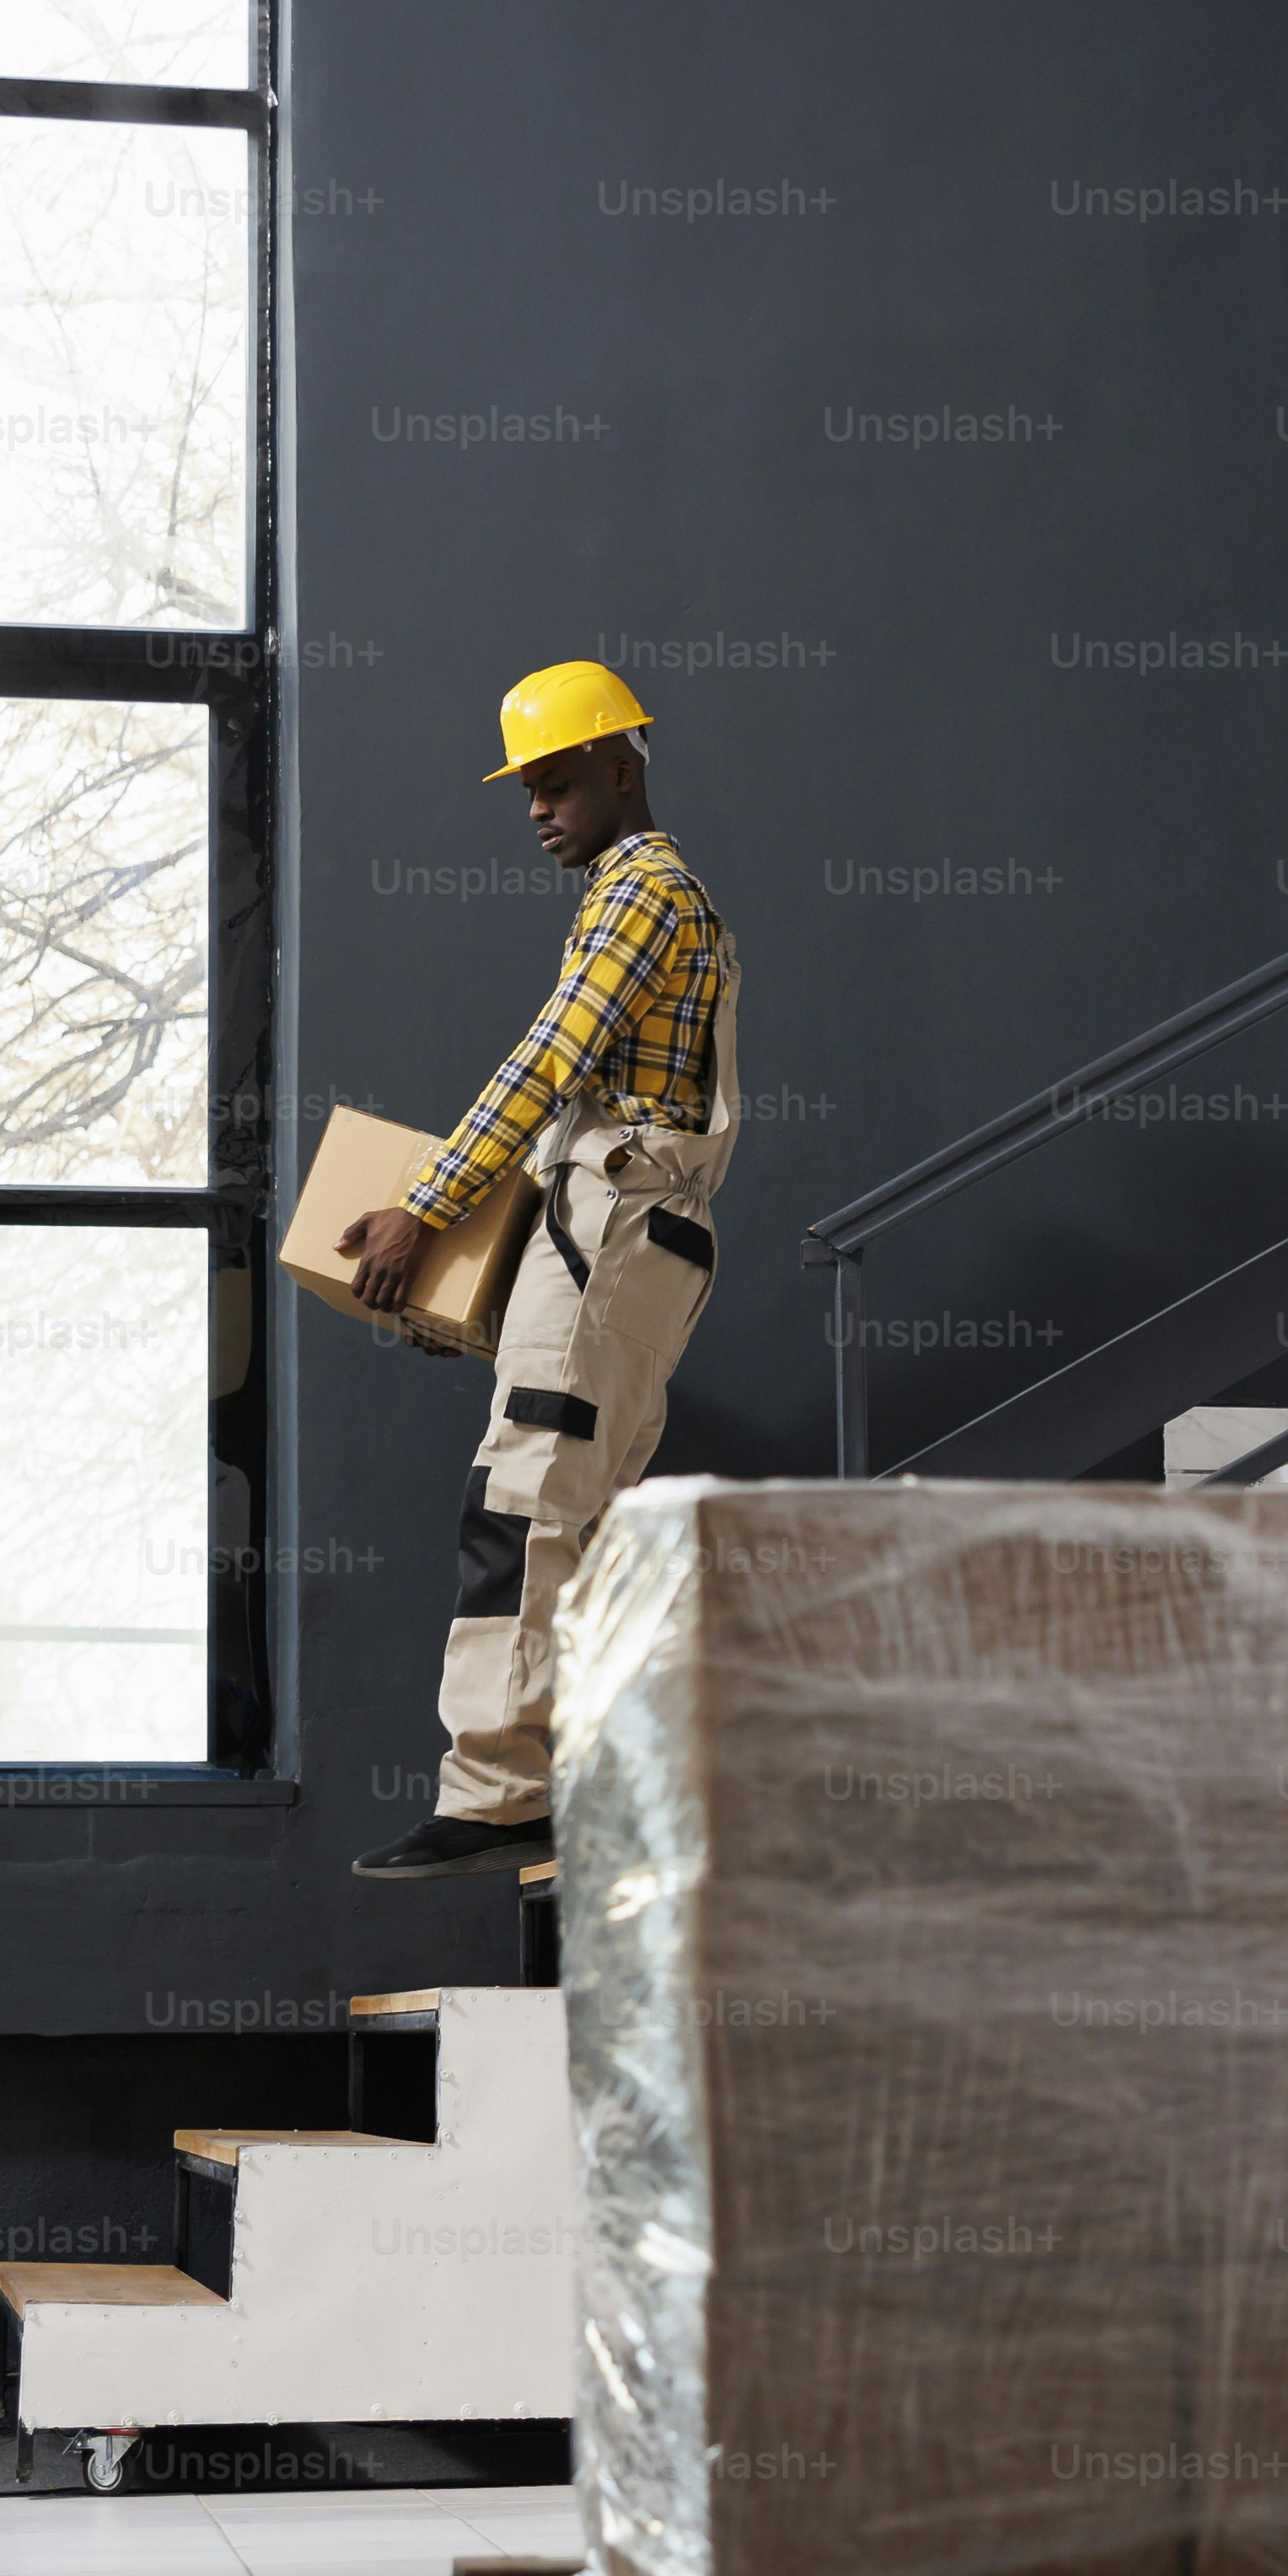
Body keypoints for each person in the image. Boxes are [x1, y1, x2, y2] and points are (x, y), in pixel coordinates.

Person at [341, 660, 741, 1881]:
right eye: (523, 787)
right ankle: (579, 1779)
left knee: (520, 1501)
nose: (532, 808)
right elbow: (590, 1112)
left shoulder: (640, 894)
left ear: (623, 767)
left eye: (555, 779)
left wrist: (425, 1208)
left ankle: (498, 1789)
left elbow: (546, 1057)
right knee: (585, 1515)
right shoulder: (662, 897)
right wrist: (475, 1292)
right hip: (624, 1234)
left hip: (613, 1224)